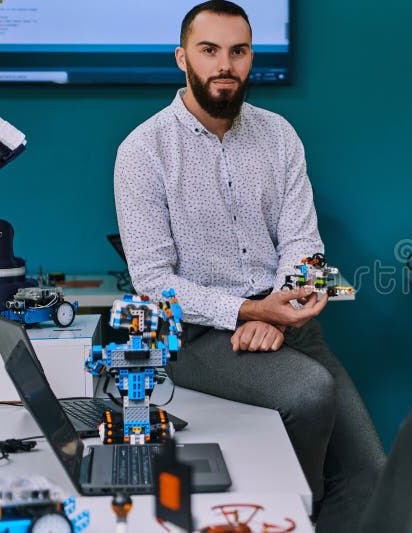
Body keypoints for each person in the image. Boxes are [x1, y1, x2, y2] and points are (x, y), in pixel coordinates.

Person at [113, 1, 385, 531]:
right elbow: (152, 284)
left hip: (283, 321)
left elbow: (306, 249)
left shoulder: (279, 135)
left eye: (237, 52)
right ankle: (284, 518)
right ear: (181, 58)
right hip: (195, 335)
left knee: (371, 473)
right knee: (309, 392)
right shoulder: (143, 151)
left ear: (251, 58)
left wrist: (278, 310)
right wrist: (246, 311)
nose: (224, 65)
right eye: (209, 50)